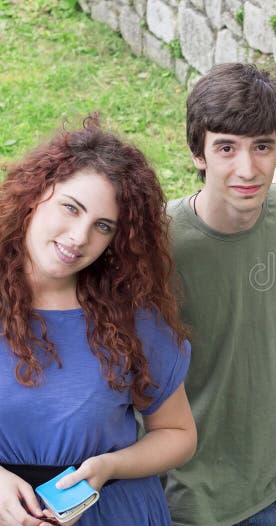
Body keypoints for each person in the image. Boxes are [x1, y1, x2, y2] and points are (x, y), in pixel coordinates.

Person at [0, 116, 196, 526]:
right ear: (36, 194)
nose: (78, 237)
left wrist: (110, 467)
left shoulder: (131, 319)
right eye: (70, 208)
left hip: (111, 512)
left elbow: (178, 435)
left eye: (102, 226)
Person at [164, 63, 276, 526]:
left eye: (262, 147)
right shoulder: (158, 243)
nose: (247, 168)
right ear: (198, 153)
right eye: (226, 148)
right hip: (183, 497)